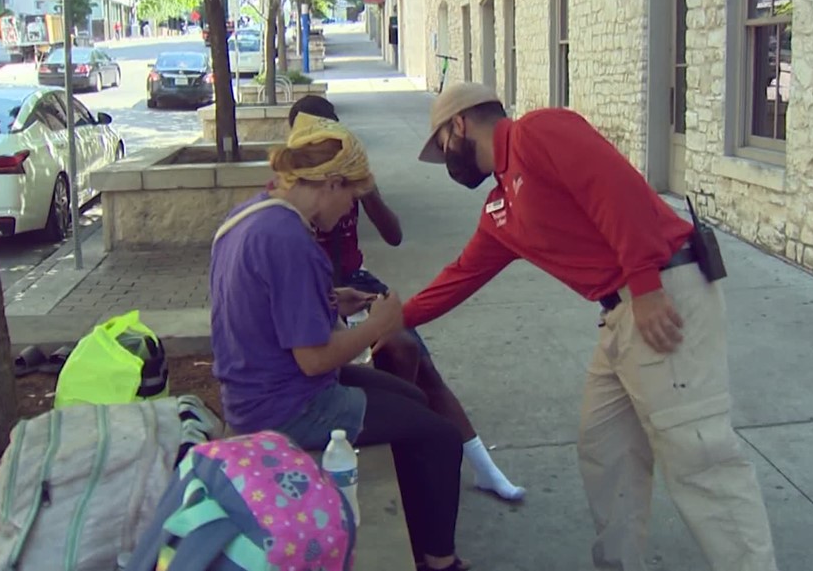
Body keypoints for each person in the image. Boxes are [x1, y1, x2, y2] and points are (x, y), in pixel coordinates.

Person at [403, 82, 781, 571]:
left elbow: (613, 188)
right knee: (606, 447)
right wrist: (392, 318)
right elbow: (460, 276)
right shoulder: (502, 206)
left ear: (459, 125)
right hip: (621, 314)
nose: (447, 160)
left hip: (662, 292)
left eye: (442, 146)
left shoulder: (537, 132)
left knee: (701, 456)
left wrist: (644, 286)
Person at [209, 117, 468, 571]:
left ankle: (418, 530)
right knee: (442, 437)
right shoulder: (292, 241)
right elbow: (312, 361)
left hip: (250, 389)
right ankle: (439, 561)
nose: (351, 209)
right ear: (330, 183)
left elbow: (266, 310)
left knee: (412, 398)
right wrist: (378, 325)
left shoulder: (250, 216)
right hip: (285, 406)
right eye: (352, 196)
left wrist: (331, 303)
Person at [287, 95, 526, 502]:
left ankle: (483, 466)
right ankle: (408, 459)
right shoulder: (292, 199)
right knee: (391, 356)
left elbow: (394, 235)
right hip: (317, 297)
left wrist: (364, 192)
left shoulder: (349, 181)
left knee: (416, 359)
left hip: (354, 284)